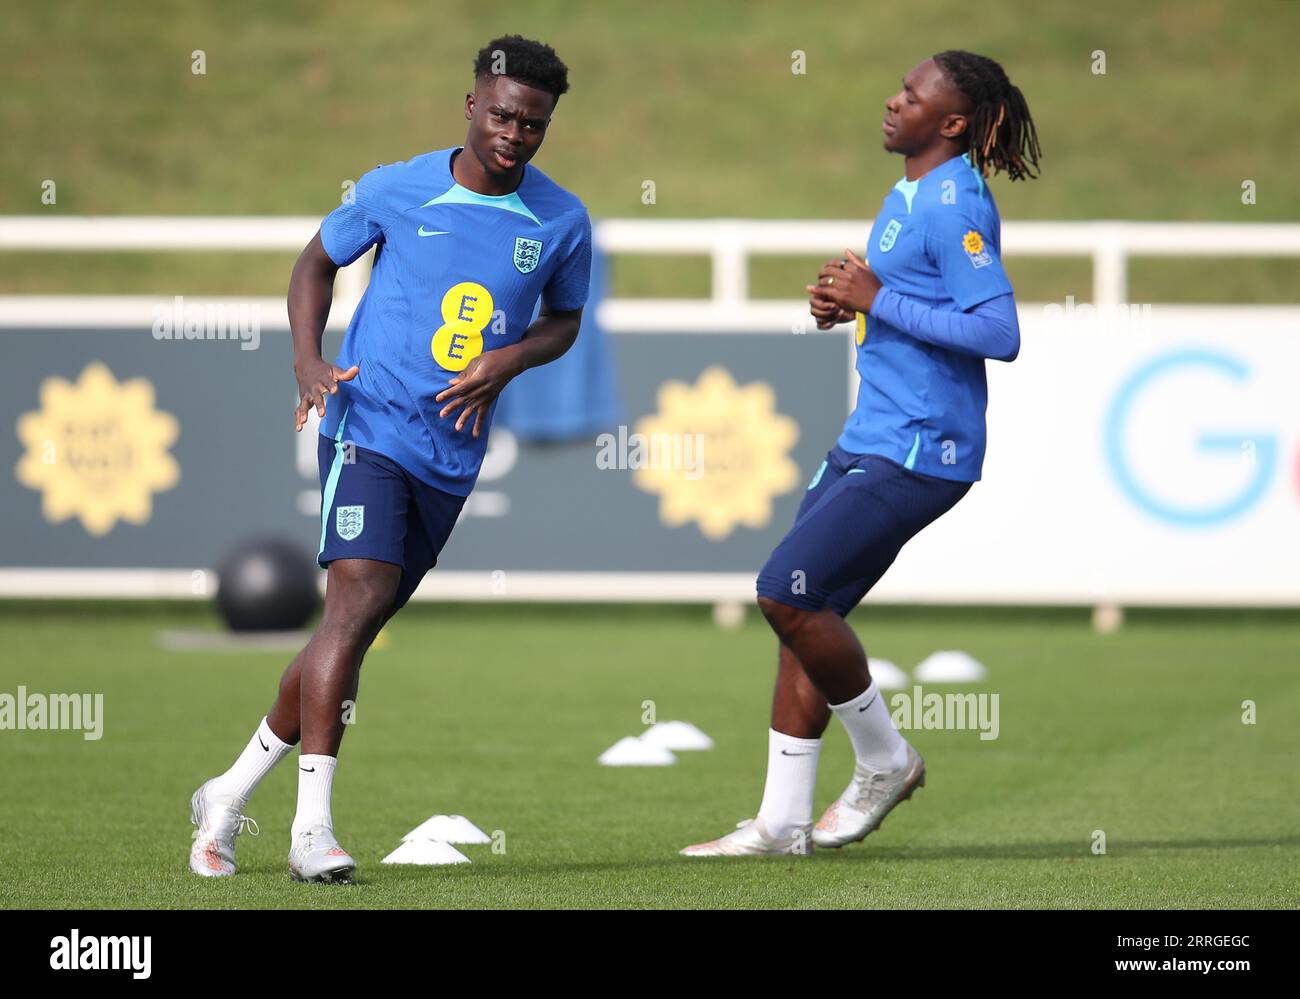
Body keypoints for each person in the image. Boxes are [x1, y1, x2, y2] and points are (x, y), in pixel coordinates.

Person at [187, 35, 591, 882]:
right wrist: (307, 358)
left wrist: (511, 358)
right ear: (472, 104)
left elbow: (564, 321)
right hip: (367, 426)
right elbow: (315, 262)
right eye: (503, 115)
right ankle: (311, 831)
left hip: (451, 456)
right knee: (358, 600)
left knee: (349, 628)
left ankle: (226, 791)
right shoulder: (395, 188)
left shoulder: (560, 220)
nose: (514, 134)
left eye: (533, 124)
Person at [681, 50, 1040, 857]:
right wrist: (850, 305)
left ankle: (885, 757)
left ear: (952, 122)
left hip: (922, 445)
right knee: (807, 613)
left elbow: (999, 332)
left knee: (784, 592)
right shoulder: (908, 192)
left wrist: (878, 296)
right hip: (871, 434)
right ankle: (782, 824)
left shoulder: (953, 202)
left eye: (912, 96)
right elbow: (913, 306)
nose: (892, 100)